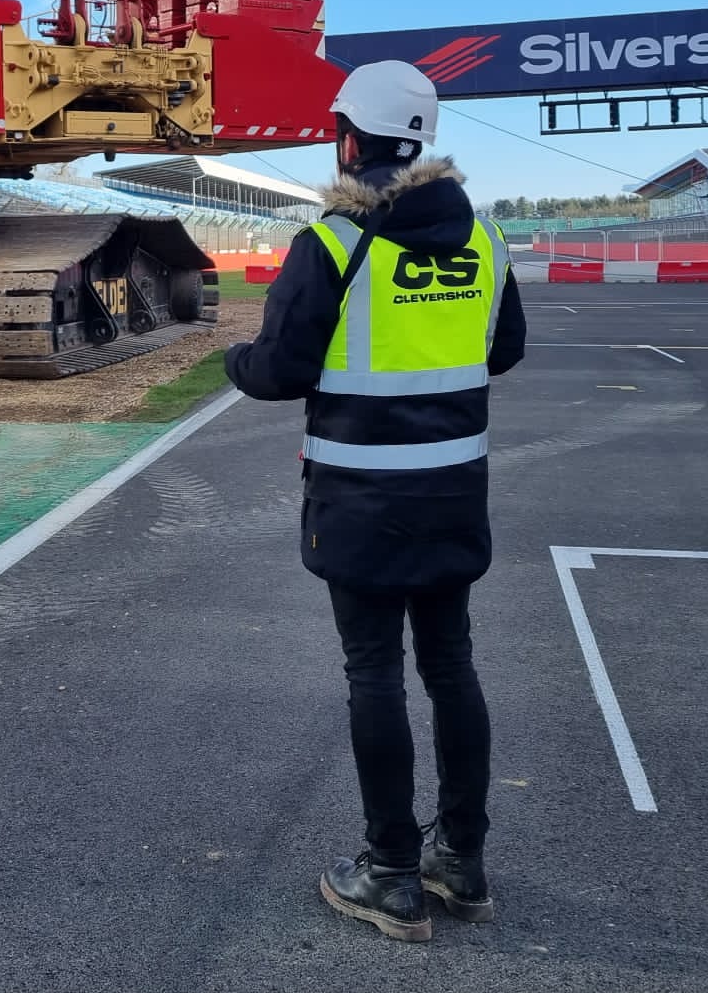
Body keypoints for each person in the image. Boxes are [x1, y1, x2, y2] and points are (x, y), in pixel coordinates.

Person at [224, 60, 526, 943]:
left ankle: (391, 872)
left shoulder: (335, 242)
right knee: (451, 664)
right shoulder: (487, 241)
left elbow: (279, 370)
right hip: (454, 488)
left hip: (359, 495)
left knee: (374, 672)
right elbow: (500, 351)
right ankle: (461, 865)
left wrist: (232, 360)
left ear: (351, 141)